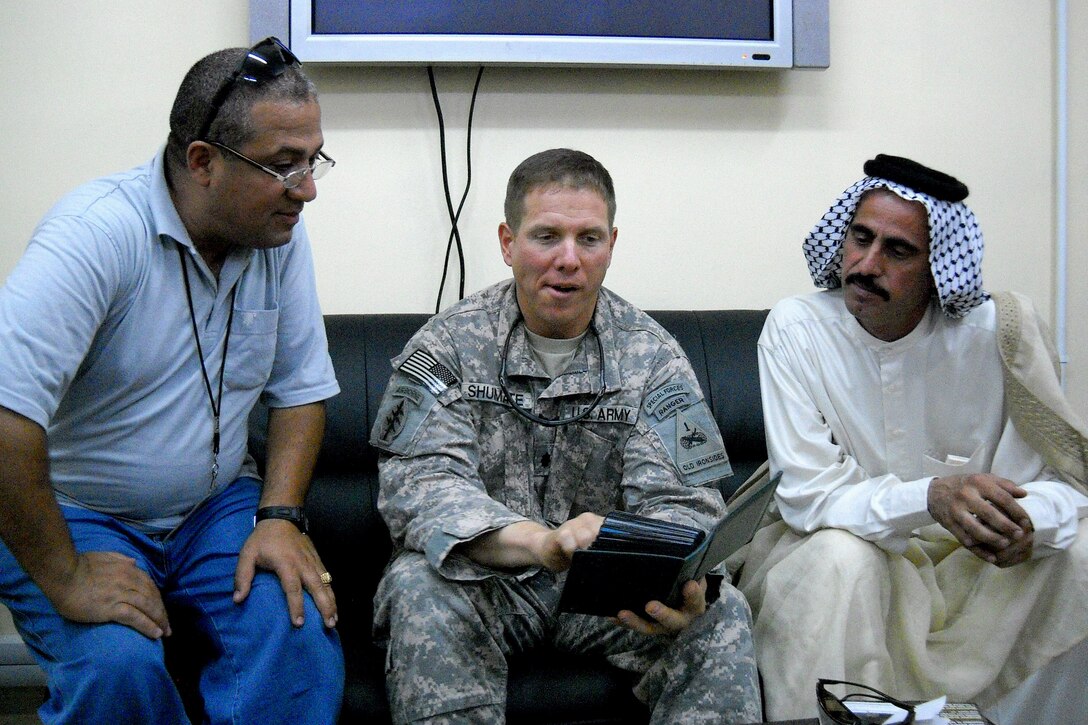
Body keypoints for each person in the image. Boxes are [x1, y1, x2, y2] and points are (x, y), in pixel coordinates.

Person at [0, 38, 344, 723]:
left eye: (314, 160)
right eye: (284, 165)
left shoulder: (279, 232)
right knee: (115, 669)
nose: (306, 188)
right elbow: (5, 418)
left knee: (299, 636)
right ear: (202, 162)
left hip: (215, 507)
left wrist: (278, 518)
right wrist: (66, 576)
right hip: (82, 509)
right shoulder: (95, 235)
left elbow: (301, 391)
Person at [369, 148, 762, 724]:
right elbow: (422, 489)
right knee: (416, 587)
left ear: (612, 245)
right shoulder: (445, 346)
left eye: (589, 239)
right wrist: (539, 543)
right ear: (507, 243)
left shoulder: (653, 357)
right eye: (546, 236)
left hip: (611, 596)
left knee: (723, 614)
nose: (569, 261)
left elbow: (686, 505)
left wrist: (683, 578)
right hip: (490, 581)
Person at [739, 154, 1088, 722]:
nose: (867, 263)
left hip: (978, 571)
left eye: (897, 251)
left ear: (939, 268)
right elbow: (808, 497)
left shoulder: (1001, 337)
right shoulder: (797, 330)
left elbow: (1063, 484)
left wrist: (1030, 526)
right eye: (860, 239)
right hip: (859, 554)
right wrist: (929, 496)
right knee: (837, 559)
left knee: (1080, 553)